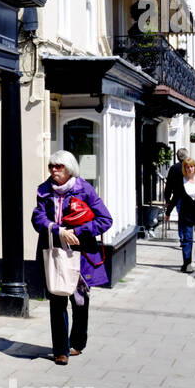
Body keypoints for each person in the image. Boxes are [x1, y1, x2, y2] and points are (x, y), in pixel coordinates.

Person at [31, 150, 114, 366]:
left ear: (69, 169)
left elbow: (105, 219)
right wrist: (57, 229)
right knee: (57, 300)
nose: (54, 170)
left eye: (59, 166)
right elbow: (37, 217)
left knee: (79, 301)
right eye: (51, 166)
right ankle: (60, 350)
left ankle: (76, 342)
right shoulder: (44, 190)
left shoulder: (84, 189)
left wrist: (77, 232)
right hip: (54, 251)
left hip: (81, 254)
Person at [167, 157, 195, 272]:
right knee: (187, 239)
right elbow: (175, 197)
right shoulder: (180, 180)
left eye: (192, 166)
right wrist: (168, 212)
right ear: (184, 168)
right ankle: (187, 263)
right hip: (186, 214)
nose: (190, 169)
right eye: (187, 167)